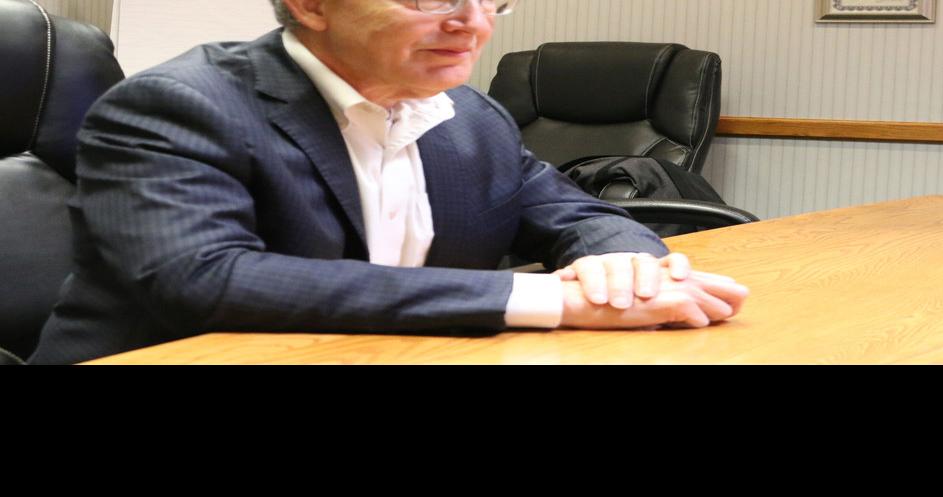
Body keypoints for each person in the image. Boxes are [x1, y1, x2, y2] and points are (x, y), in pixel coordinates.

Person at [29, 0, 748, 365]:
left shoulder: (470, 116)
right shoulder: (176, 105)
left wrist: (624, 265)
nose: (472, 25)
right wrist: (546, 299)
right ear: (312, 4)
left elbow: (571, 211)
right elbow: (205, 278)